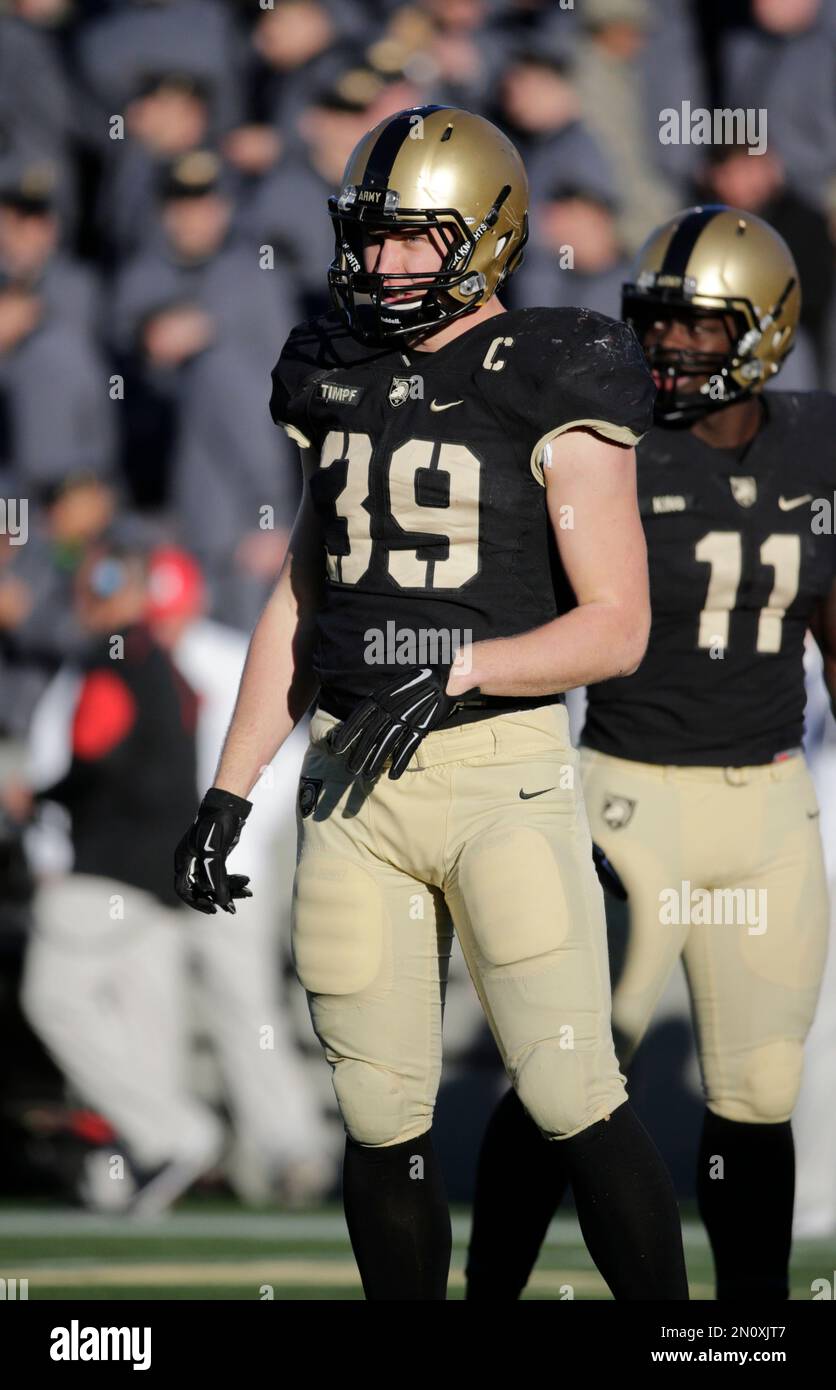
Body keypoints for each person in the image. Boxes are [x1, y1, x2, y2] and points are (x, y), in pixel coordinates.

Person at [173, 104, 689, 1301]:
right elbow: (303, 605)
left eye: (415, 237)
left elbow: (616, 624)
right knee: (376, 1109)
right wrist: (230, 786)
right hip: (352, 775)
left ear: (493, 234)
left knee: (568, 1088)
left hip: (493, 765)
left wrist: (460, 668)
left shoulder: (554, 364)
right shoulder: (334, 370)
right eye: (371, 236)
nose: (385, 262)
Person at [466, 204, 836, 1302]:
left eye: (699, 327)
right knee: (560, 1075)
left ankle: (748, 1329)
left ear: (763, 329)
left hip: (767, 805)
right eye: (655, 324)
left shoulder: (817, 442)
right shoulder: (604, 448)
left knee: (758, 1092)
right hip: (623, 799)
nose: (669, 347)